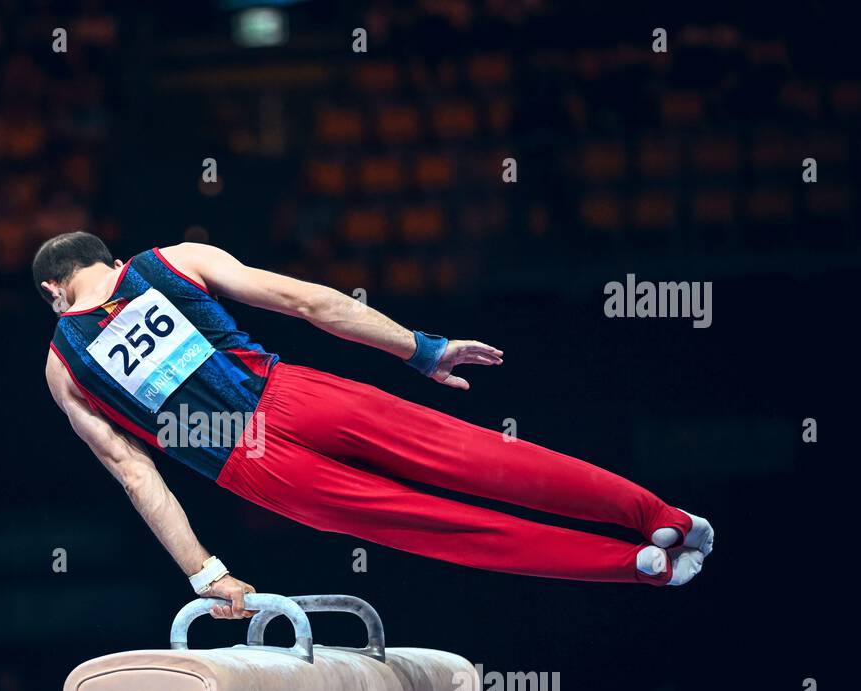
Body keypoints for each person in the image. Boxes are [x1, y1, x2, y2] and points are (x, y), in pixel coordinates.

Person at [39, 232, 714, 620]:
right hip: (298, 395)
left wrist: (206, 573)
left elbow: (135, 472)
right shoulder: (176, 259)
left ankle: (637, 566)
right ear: (105, 254)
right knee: (479, 456)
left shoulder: (63, 366)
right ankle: (657, 515)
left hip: (253, 465)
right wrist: (420, 348)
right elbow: (310, 302)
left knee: (445, 528)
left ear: (53, 291)